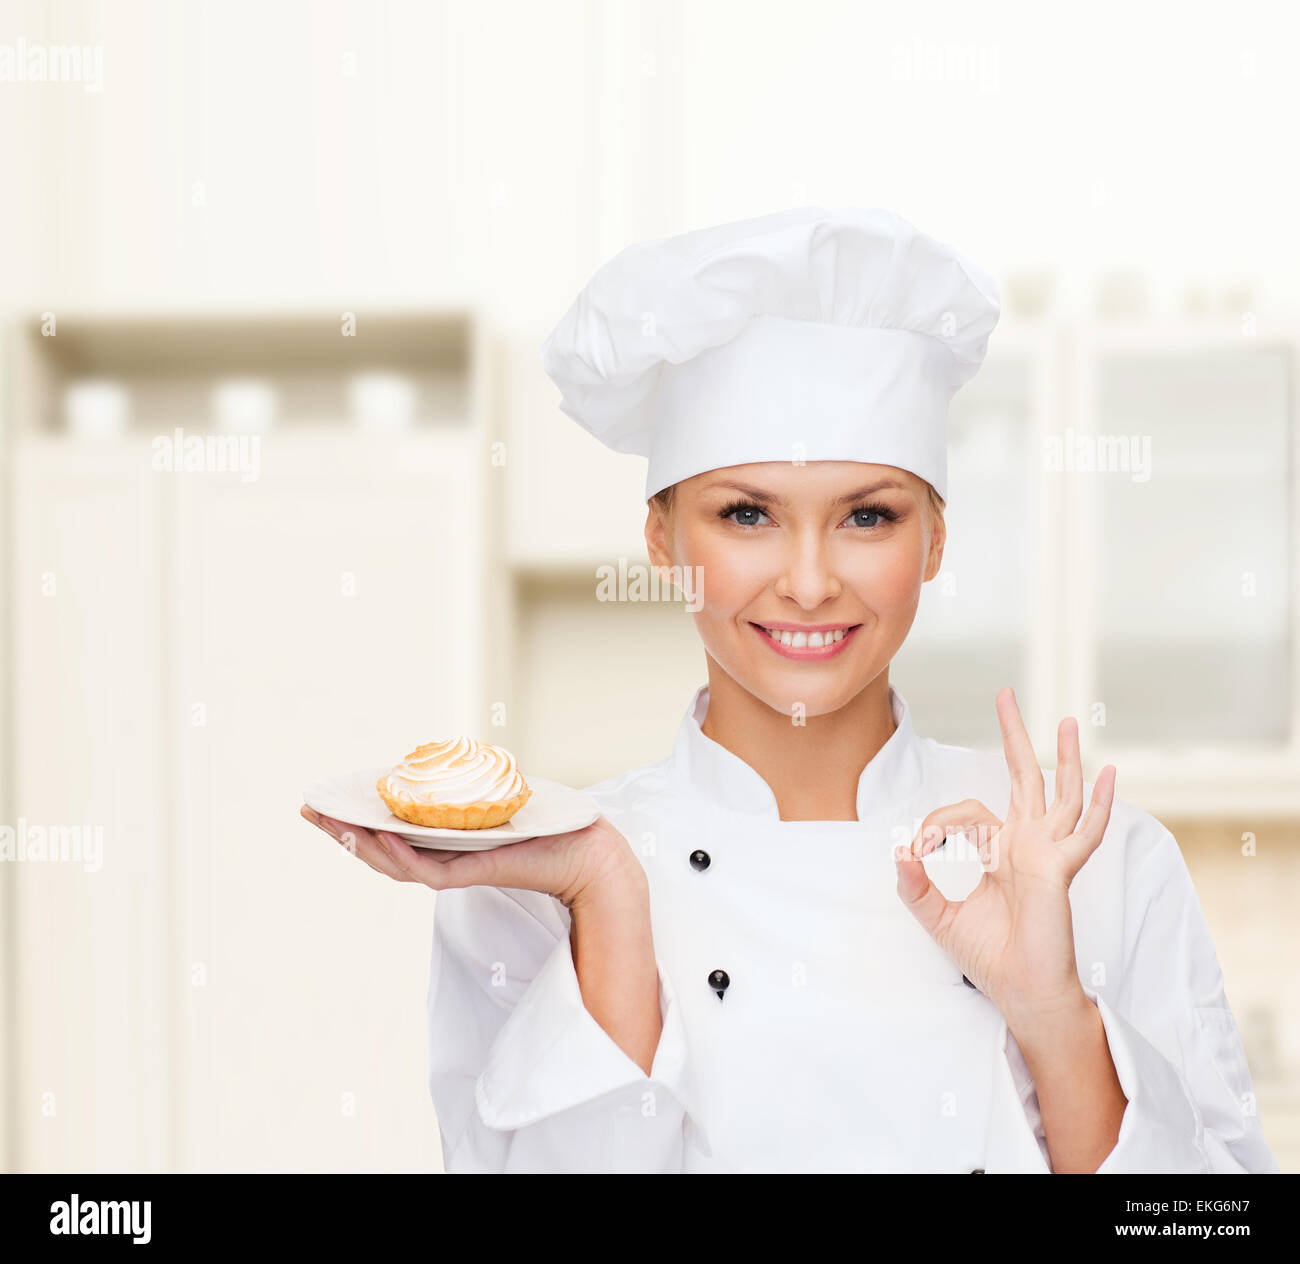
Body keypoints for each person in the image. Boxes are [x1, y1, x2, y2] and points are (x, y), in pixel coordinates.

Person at [301, 207, 1278, 1174]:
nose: (809, 581)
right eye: (746, 514)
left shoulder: (1095, 867)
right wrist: (608, 894)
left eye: (866, 515)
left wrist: (1050, 1012)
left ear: (934, 537)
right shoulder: (531, 890)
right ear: (660, 539)